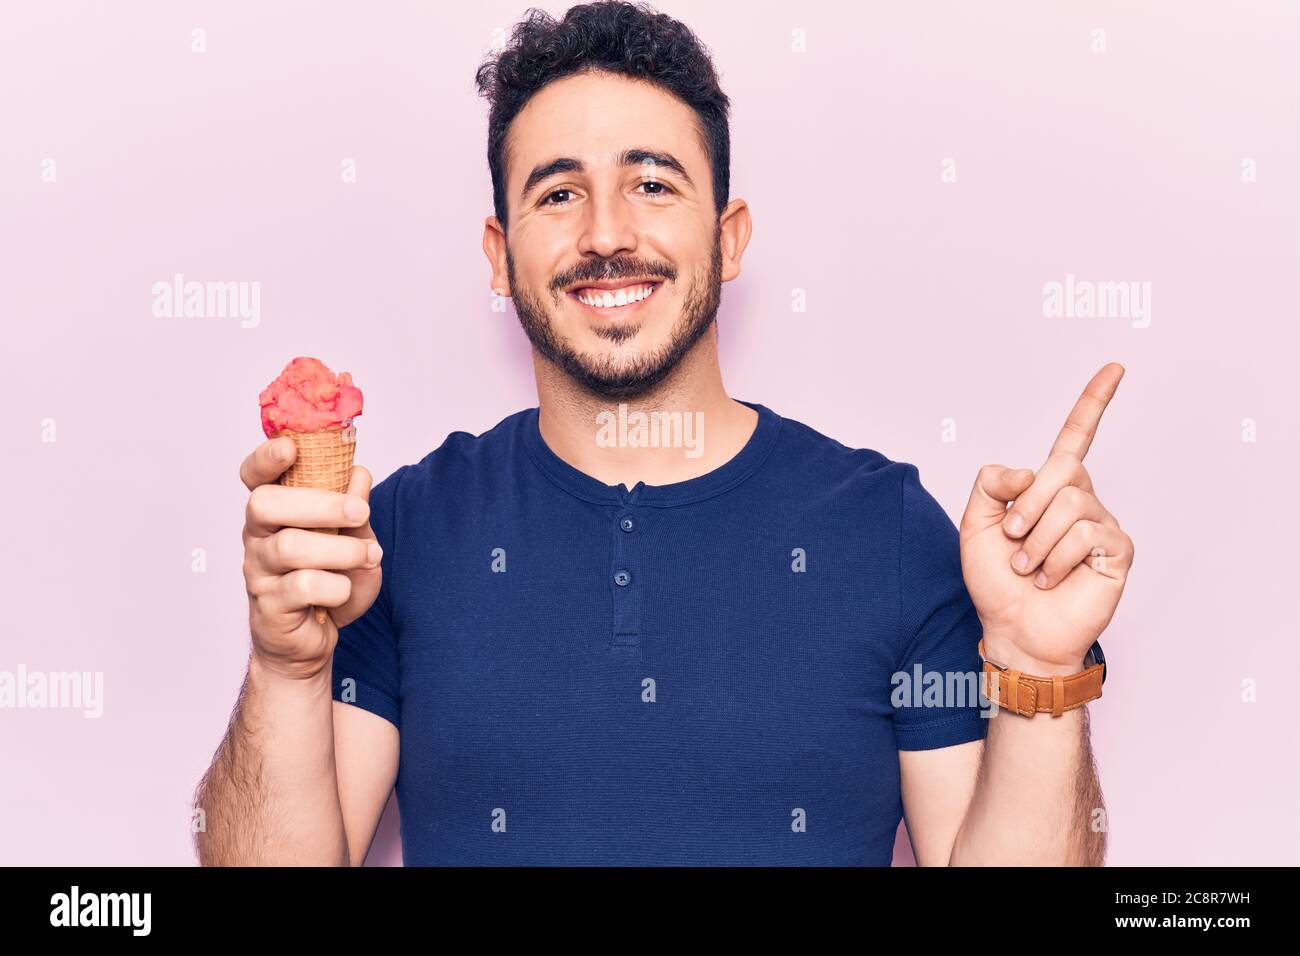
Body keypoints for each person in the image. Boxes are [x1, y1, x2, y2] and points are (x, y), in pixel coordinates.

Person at [194, 0, 1133, 866]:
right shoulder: (395, 532)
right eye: (558, 194)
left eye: (652, 183)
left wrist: (1038, 667)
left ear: (728, 239)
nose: (607, 233)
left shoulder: (885, 528)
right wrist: (285, 666)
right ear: (500, 252)